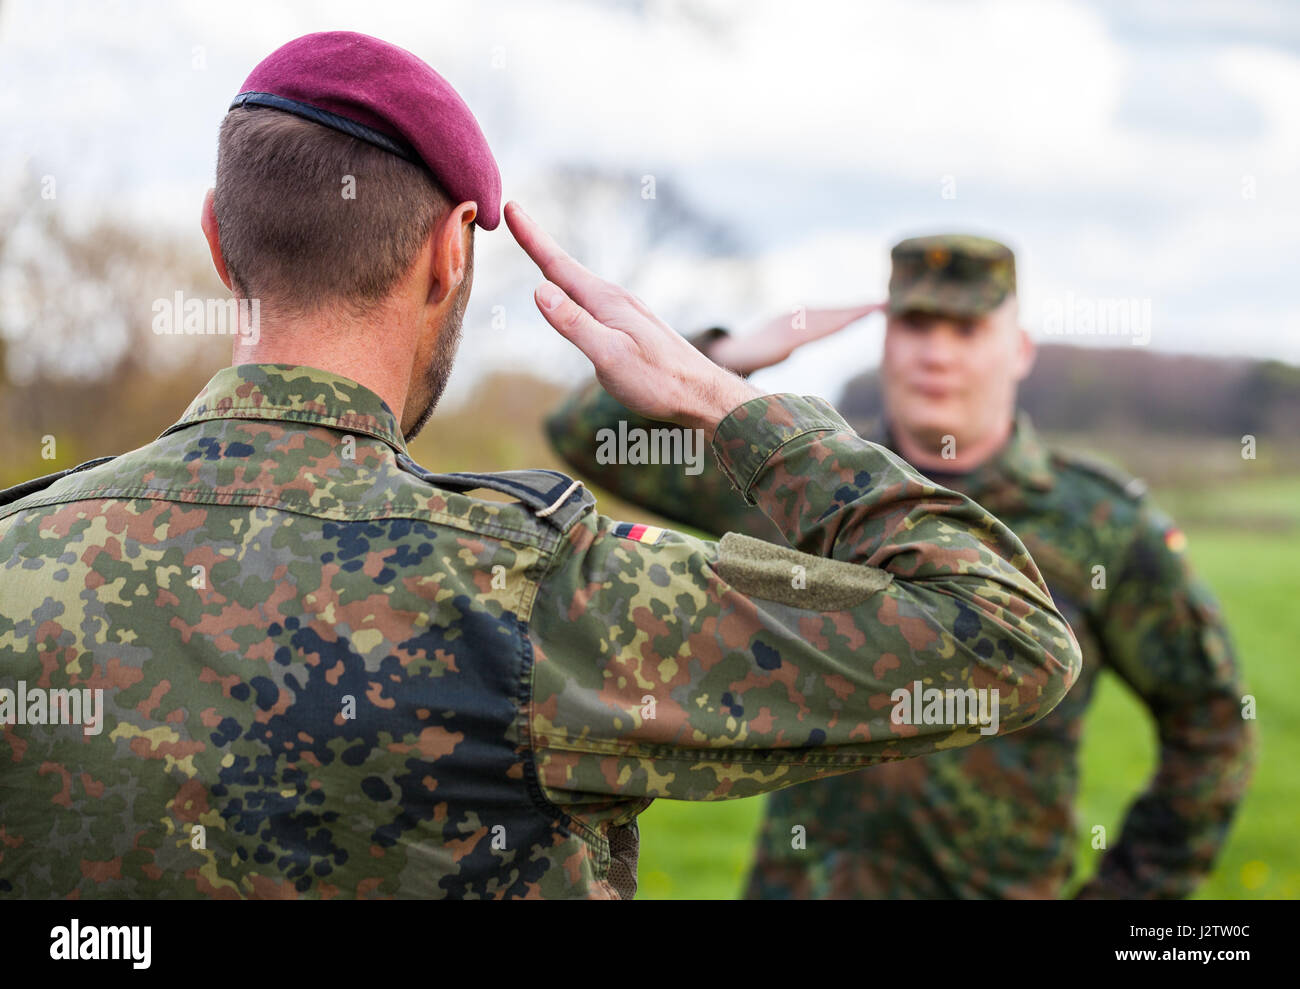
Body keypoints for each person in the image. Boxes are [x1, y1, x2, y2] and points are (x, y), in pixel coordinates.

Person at [0, 34, 1079, 900]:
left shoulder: (17, 555)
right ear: (449, 252)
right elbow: (1002, 632)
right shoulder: (531, 593)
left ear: (216, 240)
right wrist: (723, 397)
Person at [546, 233, 1255, 899]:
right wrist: (731, 358)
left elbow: (1213, 721)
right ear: (885, 342)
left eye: (967, 329)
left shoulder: (1098, 523)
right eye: (915, 325)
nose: (936, 353)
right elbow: (588, 432)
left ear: (1021, 350)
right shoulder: (802, 483)